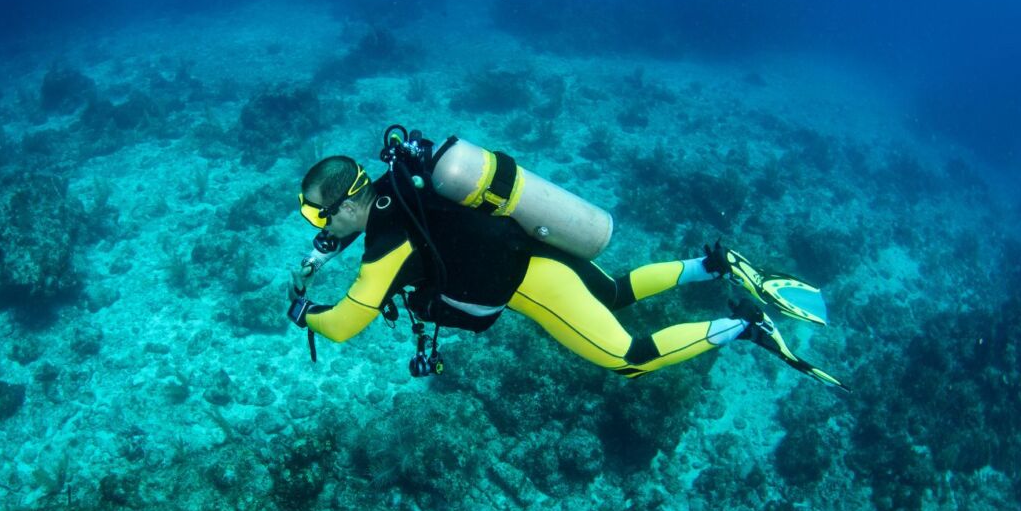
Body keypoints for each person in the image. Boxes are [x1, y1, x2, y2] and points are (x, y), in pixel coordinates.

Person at [287, 134, 846, 390]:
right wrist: (320, 251)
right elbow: (347, 233)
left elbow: (342, 326)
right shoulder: (400, 183)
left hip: (534, 283)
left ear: (348, 202)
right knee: (618, 292)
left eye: (319, 218)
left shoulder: (388, 242)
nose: (320, 229)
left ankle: (747, 327)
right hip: (535, 242)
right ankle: (714, 265)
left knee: (627, 359)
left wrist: (302, 311)